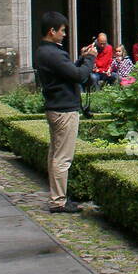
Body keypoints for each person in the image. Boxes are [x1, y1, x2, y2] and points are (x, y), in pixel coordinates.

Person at [34, 11, 97, 214]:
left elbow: (67, 72)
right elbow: (78, 76)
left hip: (56, 107)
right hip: (64, 110)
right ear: (52, 31)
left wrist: (81, 58)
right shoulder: (53, 53)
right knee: (63, 158)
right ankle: (59, 201)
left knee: (55, 155)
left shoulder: (45, 52)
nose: (64, 34)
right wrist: (89, 60)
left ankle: (57, 197)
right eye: (62, 31)